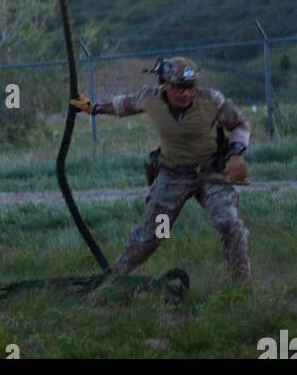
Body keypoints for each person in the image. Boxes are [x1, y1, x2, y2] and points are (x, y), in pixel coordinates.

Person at [71, 56, 250, 279]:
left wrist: (235, 152)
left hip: (210, 175)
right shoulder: (150, 99)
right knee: (153, 233)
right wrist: (91, 108)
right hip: (172, 177)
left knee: (229, 224)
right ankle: (114, 280)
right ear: (165, 85)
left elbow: (239, 125)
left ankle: (241, 286)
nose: (186, 94)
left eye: (190, 88)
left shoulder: (211, 100)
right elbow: (121, 105)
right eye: (179, 88)